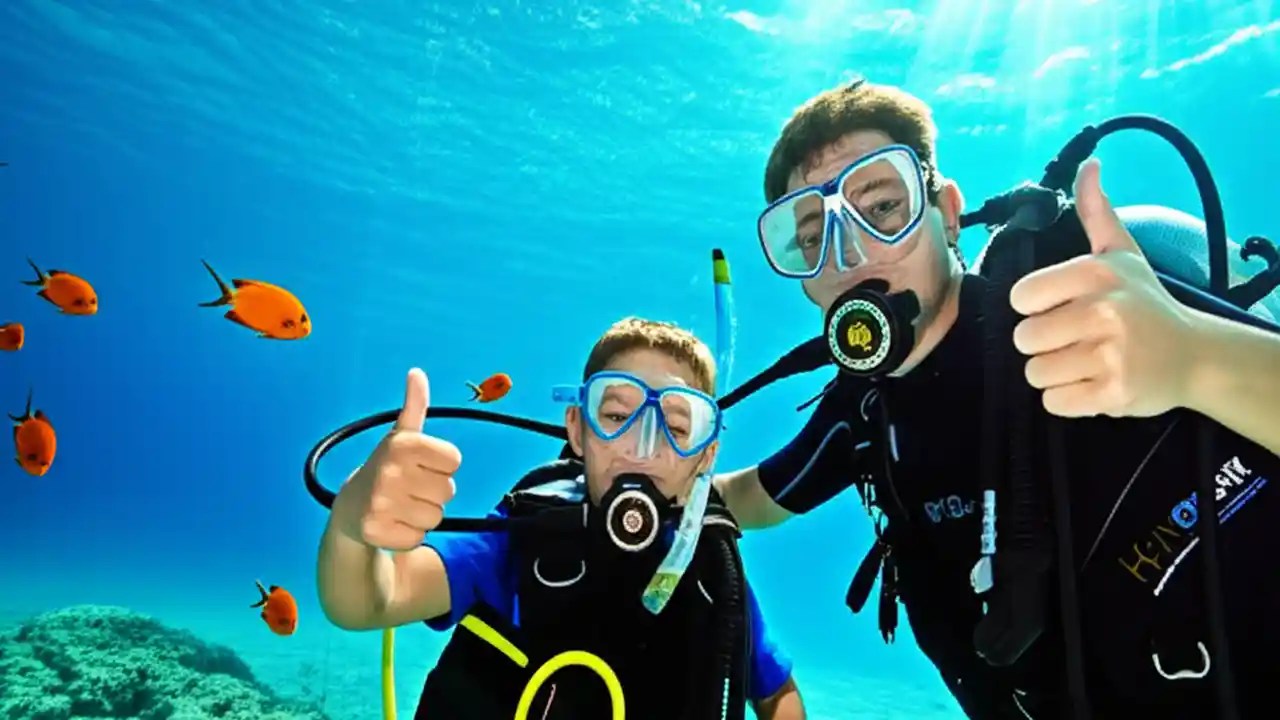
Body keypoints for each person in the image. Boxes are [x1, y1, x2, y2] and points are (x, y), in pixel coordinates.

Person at [713, 79, 1280, 719]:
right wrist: (628, 468)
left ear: (947, 213)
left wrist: (1193, 359)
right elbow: (751, 498)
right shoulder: (864, 411)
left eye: (880, 207)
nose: (850, 254)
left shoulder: (1084, 298)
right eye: (813, 236)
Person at [317, 317, 805, 719]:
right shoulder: (521, 538)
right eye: (616, 416)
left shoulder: (713, 573)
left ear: (705, 456)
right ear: (578, 428)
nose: (644, 445)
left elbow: (775, 691)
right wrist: (350, 527)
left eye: (678, 427)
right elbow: (367, 602)